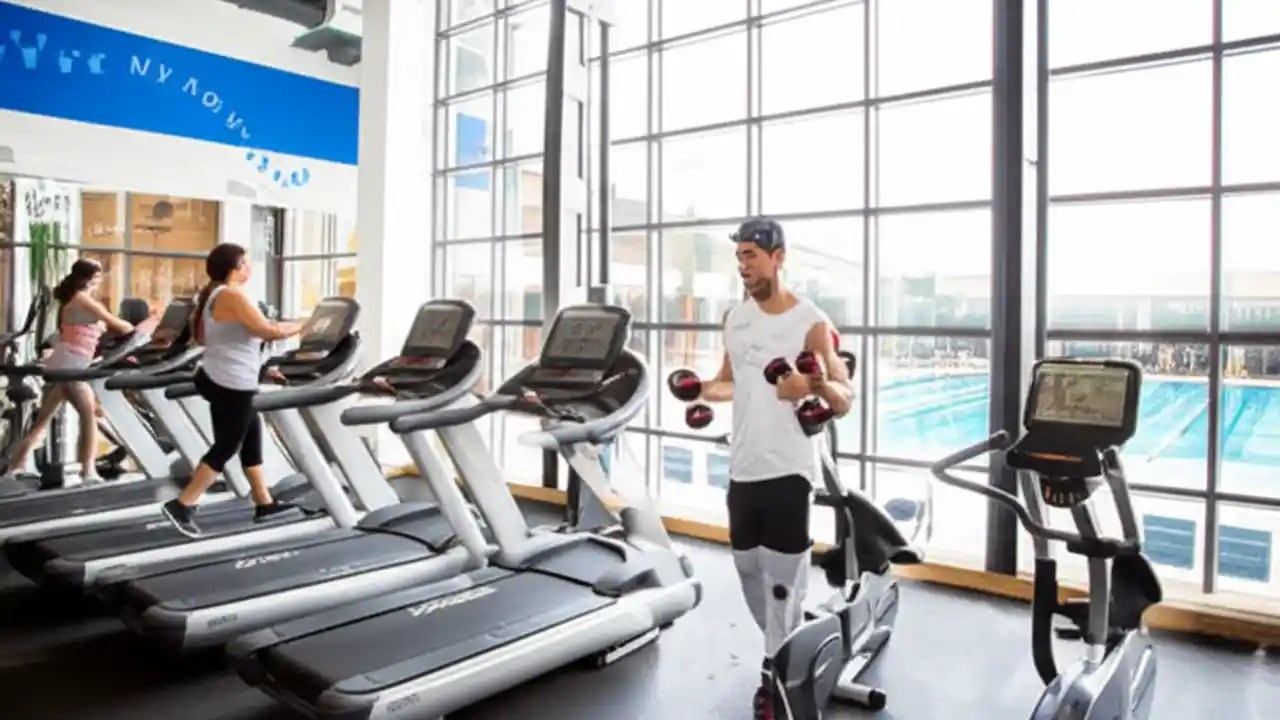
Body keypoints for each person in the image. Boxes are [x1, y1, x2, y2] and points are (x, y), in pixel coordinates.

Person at [692, 218, 854, 719]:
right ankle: (786, 640)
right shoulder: (735, 319)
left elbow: (844, 397)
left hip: (789, 468)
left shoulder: (810, 320)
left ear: (778, 257)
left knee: (783, 581)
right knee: (747, 569)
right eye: (739, 256)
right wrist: (699, 389)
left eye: (752, 256)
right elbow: (727, 382)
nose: (744, 266)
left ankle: (776, 671)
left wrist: (811, 386)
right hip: (744, 464)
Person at [160, 243, 305, 537]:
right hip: (233, 381)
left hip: (224, 376)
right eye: (247, 263)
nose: (250, 269)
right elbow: (268, 330)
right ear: (235, 267)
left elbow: (210, 337)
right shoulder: (230, 294)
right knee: (226, 445)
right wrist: (307, 324)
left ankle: (263, 502)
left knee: (250, 437)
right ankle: (183, 504)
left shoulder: (213, 295)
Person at [5, 258, 141, 485]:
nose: (100, 281)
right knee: (88, 415)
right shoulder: (83, 300)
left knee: (42, 421)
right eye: (98, 277)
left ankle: (14, 468)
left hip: (66, 362)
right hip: (72, 366)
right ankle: (88, 472)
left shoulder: (73, 301)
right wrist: (139, 330)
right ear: (88, 279)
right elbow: (121, 326)